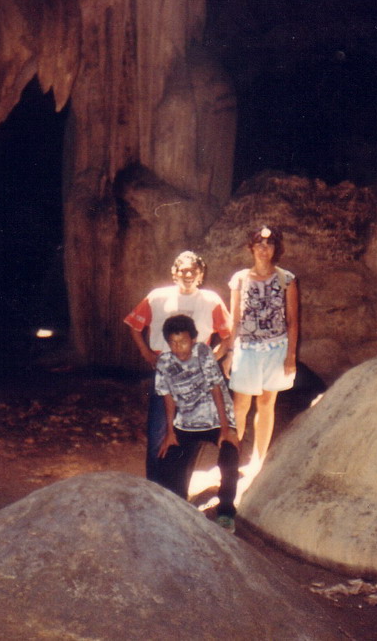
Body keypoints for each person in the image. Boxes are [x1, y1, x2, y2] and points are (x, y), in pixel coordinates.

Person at [124, 251, 231, 483]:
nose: (188, 275)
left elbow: (228, 334)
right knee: (159, 429)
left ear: (201, 275)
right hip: (165, 370)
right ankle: (154, 484)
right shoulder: (157, 297)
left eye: (194, 271)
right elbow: (134, 325)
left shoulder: (210, 300)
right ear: (174, 273)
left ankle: (178, 488)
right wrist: (145, 352)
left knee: (189, 431)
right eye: (183, 270)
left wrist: (212, 358)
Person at [155, 313, 239, 530]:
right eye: (173, 343)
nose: (178, 348)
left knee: (229, 457)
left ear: (192, 340)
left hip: (215, 418)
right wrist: (170, 432)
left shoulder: (203, 353)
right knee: (169, 462)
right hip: (186, 423)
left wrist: (225, 428)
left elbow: (216, 389)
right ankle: (179, 508)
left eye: (183, 342)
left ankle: (226, 511)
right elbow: (168, 396)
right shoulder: (164, 362)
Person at [227, 225, 298, 466]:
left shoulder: (286, 279)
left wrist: (290, 356)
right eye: (259, 244)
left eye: (269, 244)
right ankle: (231, 458)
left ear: (275, 248)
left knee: (267, 403)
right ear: (251, 248)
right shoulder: (239, 279)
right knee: (241, 404)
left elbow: (292, 320)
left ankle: (259, 459)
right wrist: (228, 352)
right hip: (246, 349)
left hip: (275, 349)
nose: (264, 249)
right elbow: (234, 318)